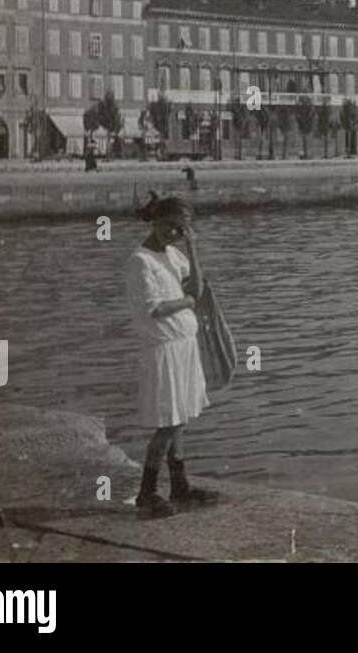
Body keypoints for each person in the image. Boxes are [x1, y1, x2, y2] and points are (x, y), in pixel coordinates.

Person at [125, 195, 219, 519]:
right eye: (170, 226)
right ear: (155, 220)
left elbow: (198, 285)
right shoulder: (141, 260)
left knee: (180, 419)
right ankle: (146, 491)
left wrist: (192, 249)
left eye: (181, 229)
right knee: (168, 423)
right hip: (163, 348)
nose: (174, 233)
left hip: (183, 345)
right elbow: (154, 308)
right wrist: (187, 303)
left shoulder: (172, 254)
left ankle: (179, 485)